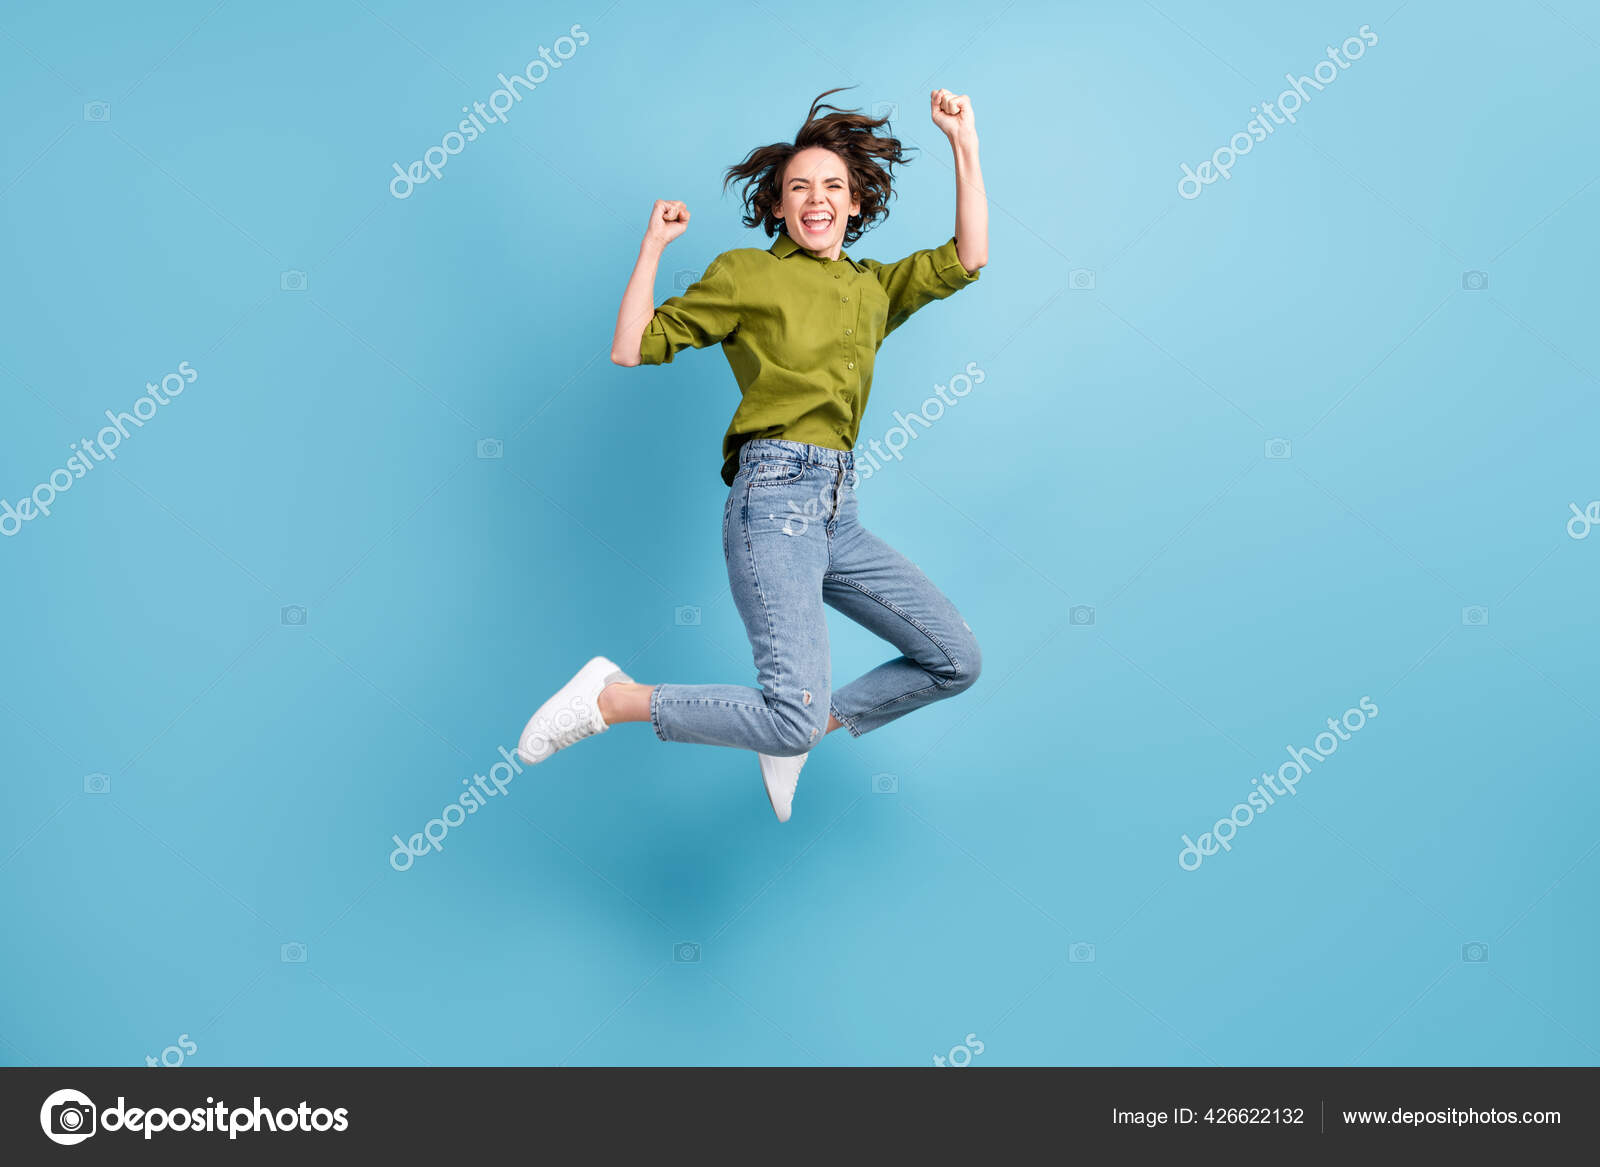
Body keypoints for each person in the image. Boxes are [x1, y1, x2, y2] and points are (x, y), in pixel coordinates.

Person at [517, 86, 989, 823]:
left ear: (856, 203)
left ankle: (793, 735)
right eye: (798, 188)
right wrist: (653, 248)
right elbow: (631, 346)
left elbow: (968, 256)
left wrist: (964, 142)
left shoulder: (872, 288)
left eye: (832, 186)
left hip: (839, 513)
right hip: (773, 501)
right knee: (789, 710)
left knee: (955, 660)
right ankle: (613, 697)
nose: (816, 199)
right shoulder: (747, 274)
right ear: (776, 206)